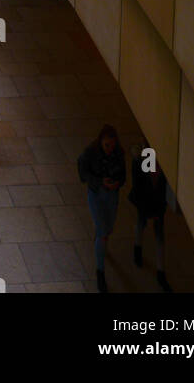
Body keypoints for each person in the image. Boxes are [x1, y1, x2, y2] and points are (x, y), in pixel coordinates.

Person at [78, 125, 127, 293]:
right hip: (96, 194)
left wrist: (117, 183)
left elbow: (123, 176)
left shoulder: (119, 154)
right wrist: (100, 182)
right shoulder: (90, 153)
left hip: (112, 195)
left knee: (108, 229)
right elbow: (83, 173)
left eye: (112, 145)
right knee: (102, 232)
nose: (109, 149)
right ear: (101, 142)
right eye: (107, 145)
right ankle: (100, 271)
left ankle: (100, 243)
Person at [129, 152, 171, 292]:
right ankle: (137, 248)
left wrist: (159, 210)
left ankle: (161, 271)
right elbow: (138, 188)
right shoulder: (140, 164)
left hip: (157, 206)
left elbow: (164, 190)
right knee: (141, 225)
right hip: (145, 203)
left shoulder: (164, 167)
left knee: (159, 236)